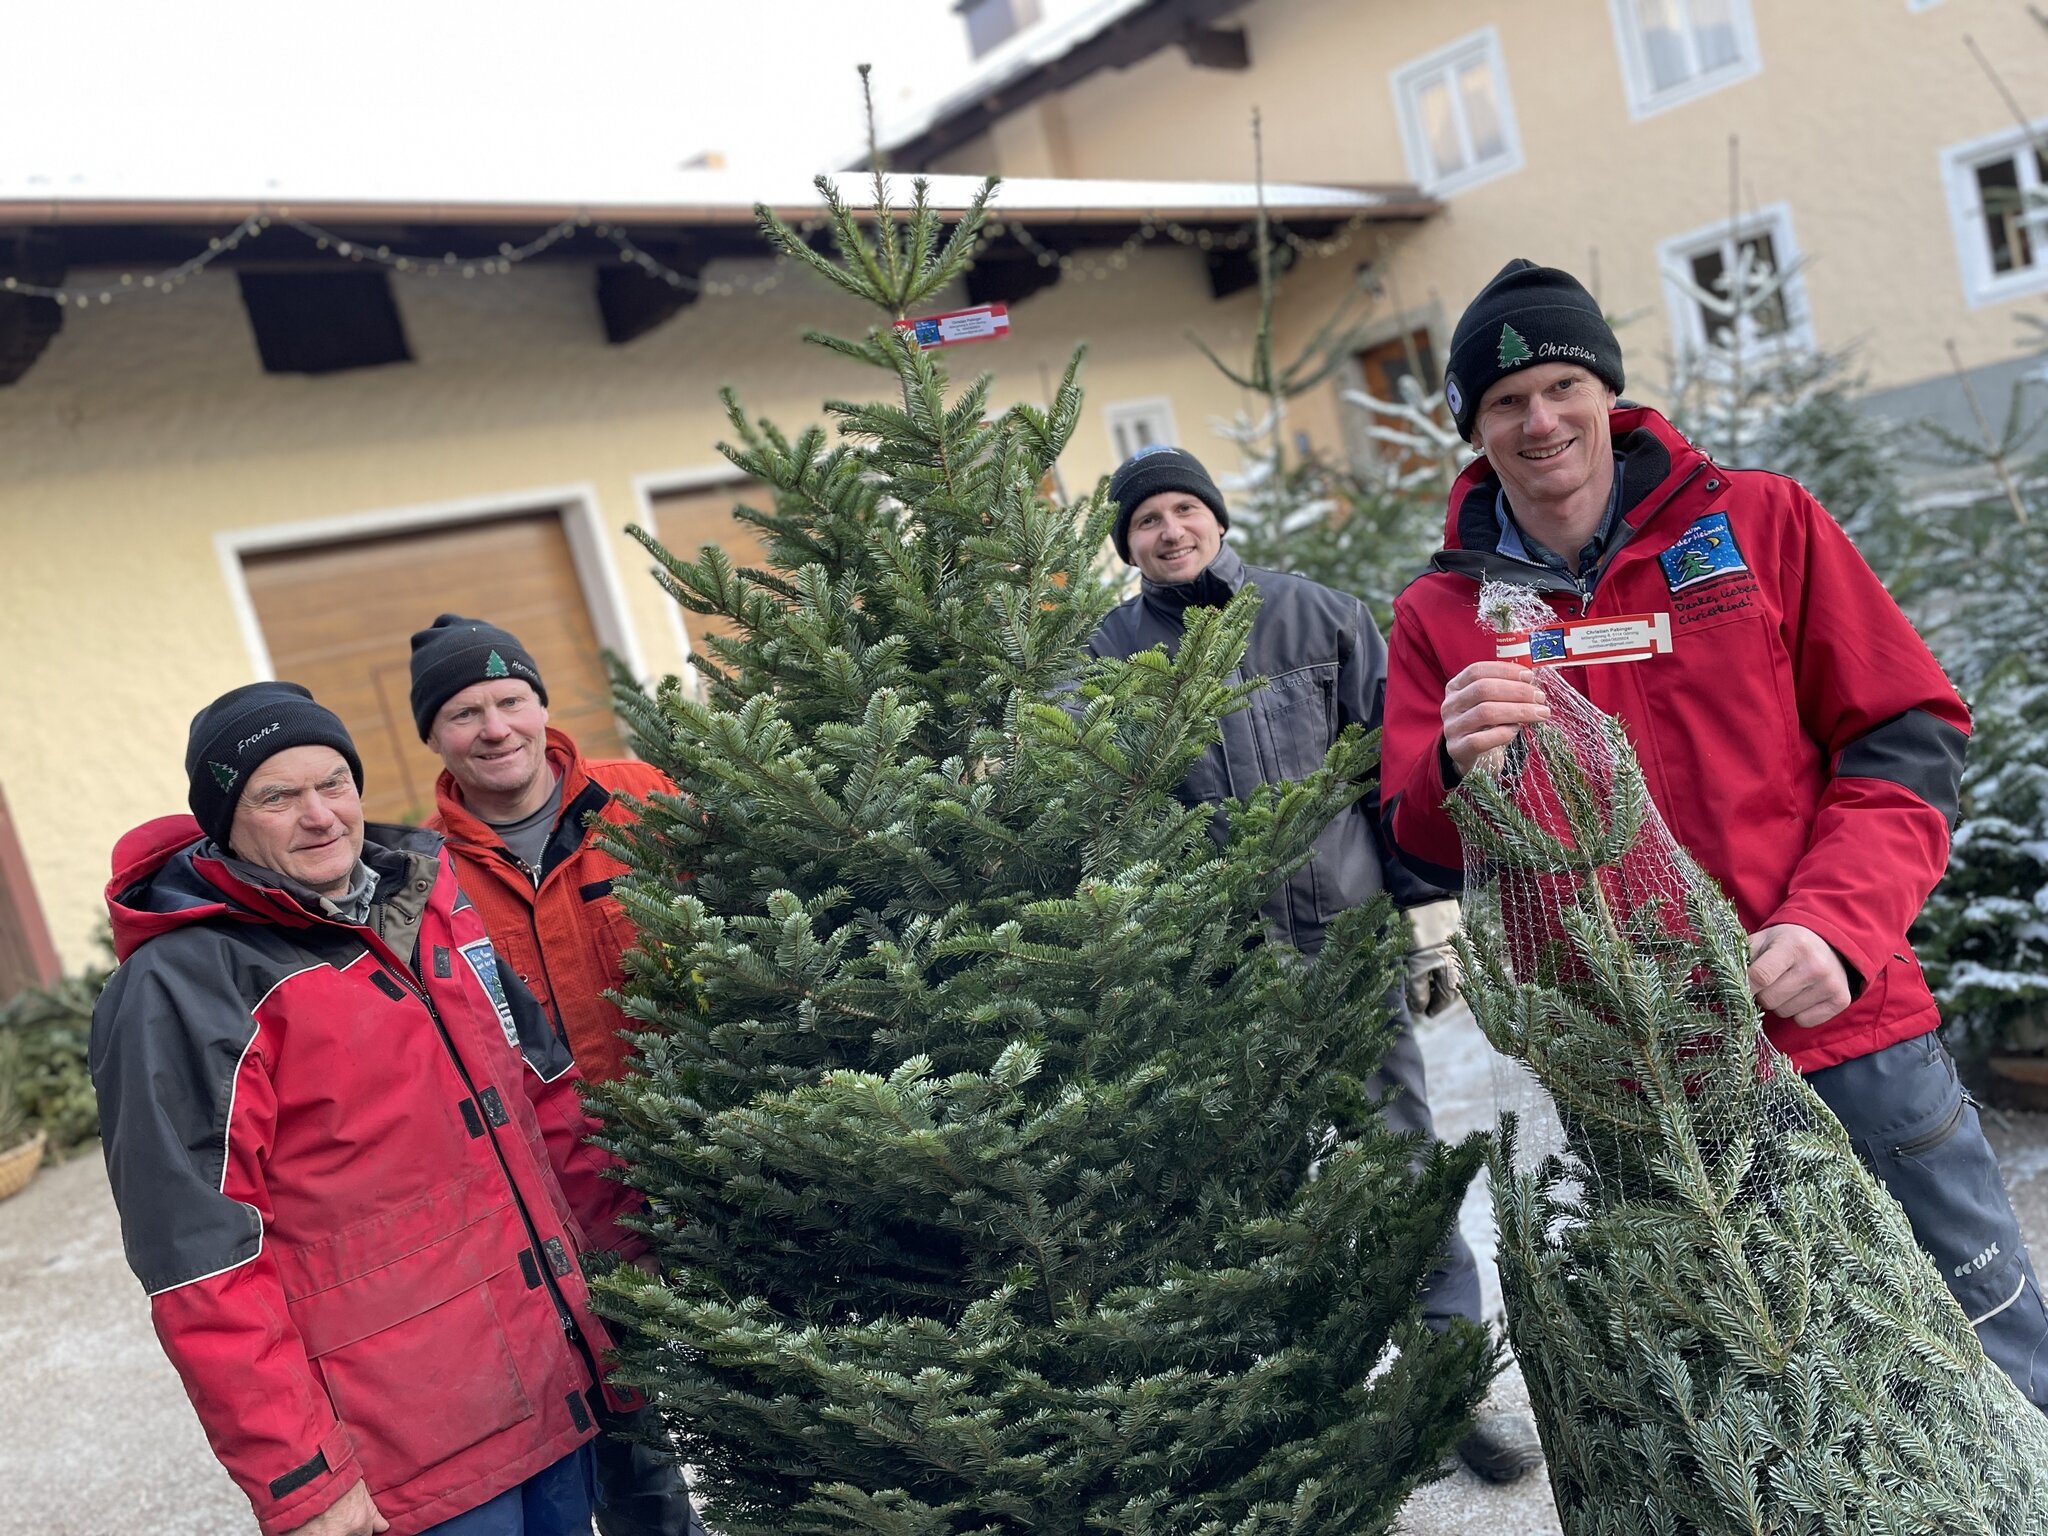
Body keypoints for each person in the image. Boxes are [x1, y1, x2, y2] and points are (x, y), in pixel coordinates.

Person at [1382, 257, 2048, 1410]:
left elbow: (1902, 734)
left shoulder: (1757, 522)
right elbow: (1420, 848)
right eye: (1502, 403)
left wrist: (1836, 927)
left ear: (1604, 392)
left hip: (1842, 1025)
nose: (1537, 420)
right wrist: (1451, 768)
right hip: (1639, 1075)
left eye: (1557, 386)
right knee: (1771, 1408)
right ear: (1470, 427)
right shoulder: (1441, 616)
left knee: (1988, 1353)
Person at [91, 682, 648, 1536]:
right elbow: (200, 1260)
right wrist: (304, 1482)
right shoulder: (184, 986)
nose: (319, 816)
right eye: (277, 796)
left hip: (543, 1387)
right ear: (225, 821)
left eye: (333, 783)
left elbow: (545, 1101)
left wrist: (630, 1286)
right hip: (407, 1450)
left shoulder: (431, 904)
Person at [1090, 445, 1544, 1483]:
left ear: (1213, 517)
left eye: (1182, 509)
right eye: (1146, 520)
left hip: (1344, 948)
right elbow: (1106, 812)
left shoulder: (1318, 615)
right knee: (1262, 1194)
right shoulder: (1105, 654)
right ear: (1128, 545)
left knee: (1396, 1167)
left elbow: (1397, 775)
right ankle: (1317, 1416)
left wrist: (1425, 913)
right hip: (1217, 975)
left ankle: (1445, 1392)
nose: (1169, 530)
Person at [408, 614, 699, 1536]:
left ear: (541, 705)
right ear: (435, 739)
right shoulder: (418, 876)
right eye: (463, 712)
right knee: (633, 1447)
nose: (494, 727)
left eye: (510, 700)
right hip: (565, 1202)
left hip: (713, 1157)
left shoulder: (647, 799)